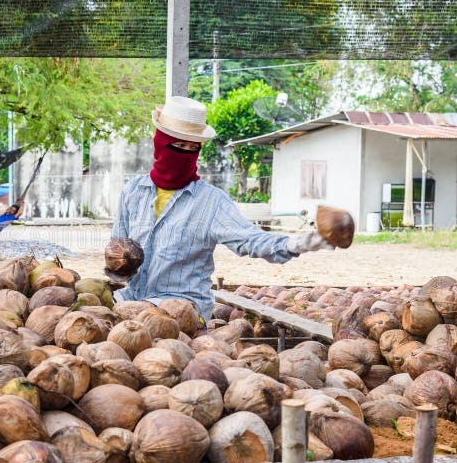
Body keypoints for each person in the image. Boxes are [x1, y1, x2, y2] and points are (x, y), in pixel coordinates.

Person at [111, 95, 338, 320]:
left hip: (183, 310)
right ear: (160, 144)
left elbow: (248, 239)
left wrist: (301, 242)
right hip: (132, 301)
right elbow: (116, 248)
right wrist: (117, 265)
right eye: (178, 145)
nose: (185, 154)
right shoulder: (133, 192)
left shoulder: (212, 202)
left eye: (193, 147)